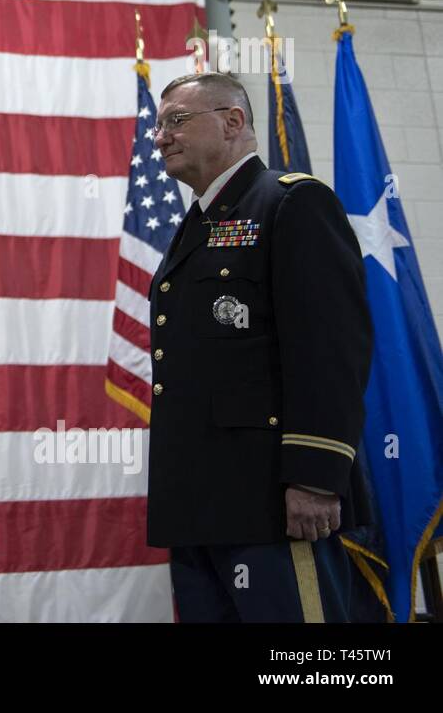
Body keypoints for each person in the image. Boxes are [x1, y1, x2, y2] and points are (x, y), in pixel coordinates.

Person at [147, 71, 372, 622]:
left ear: (233, 122)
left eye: (177, 120)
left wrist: (316, 477)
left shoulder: (291, 203)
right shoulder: (196, 226)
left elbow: (329, 348)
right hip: (201, 504)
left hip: (272, 500)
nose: (160, 137)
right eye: (158, 125)